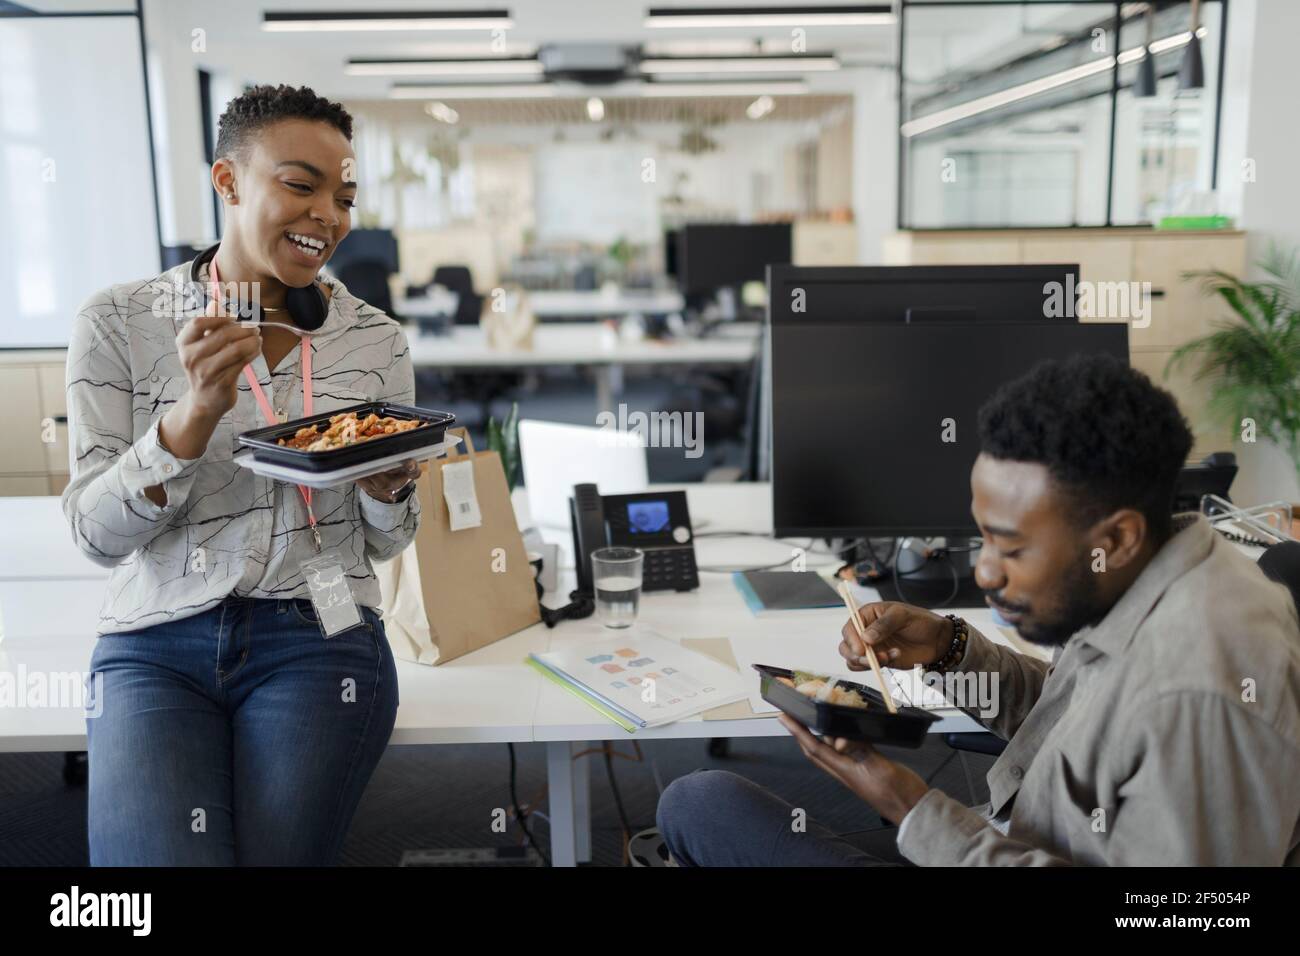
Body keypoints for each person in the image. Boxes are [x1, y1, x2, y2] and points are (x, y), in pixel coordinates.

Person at [657, 354, 1300, 865]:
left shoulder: (1204, 689)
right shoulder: (1154, 569)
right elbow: (1086, 724)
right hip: (1007, 838)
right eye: (984, 535)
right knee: (701, 804)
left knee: (702, 807)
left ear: (1116, 537)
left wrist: (914, 811)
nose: (985, 571)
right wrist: (952, 651)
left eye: (1010, 546)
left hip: (978, 849)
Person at [64, 85, 421, 865]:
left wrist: (389, 492)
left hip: (321, 618)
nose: (328, 214)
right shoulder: (121, 321)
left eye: (345, 194)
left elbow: (386, 546)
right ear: (228, 182)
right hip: (156, 633)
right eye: (301, 185)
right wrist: (189, 420)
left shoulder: (374, 339)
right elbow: (94, 536)